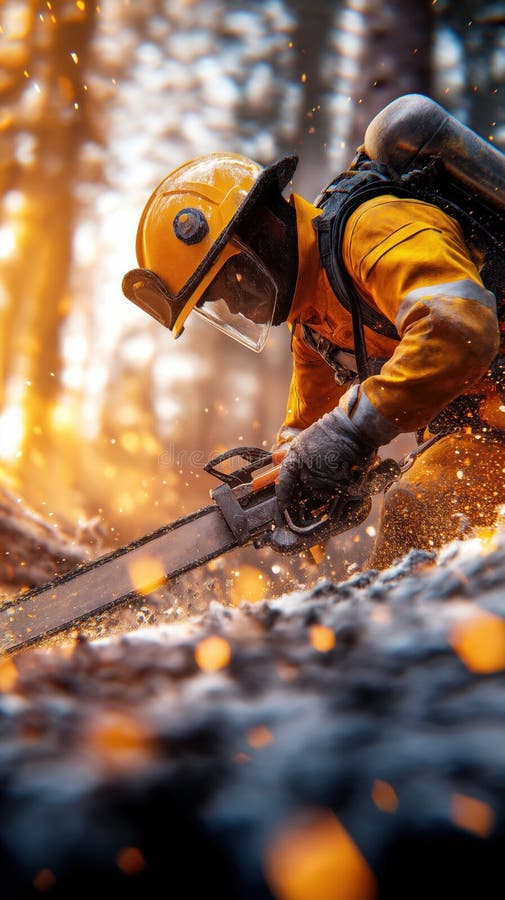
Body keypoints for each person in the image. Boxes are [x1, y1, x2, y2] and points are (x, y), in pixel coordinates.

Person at [122, 94, 505, 569]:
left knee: (417, 511)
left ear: (260, 231)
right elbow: (307, 429)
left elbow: (459, 327)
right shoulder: (314, 328)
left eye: (228, 285)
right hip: (488, 428)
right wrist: (293, 489)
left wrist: (352, 432)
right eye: (216, 304)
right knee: (417, 513)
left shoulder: (370, 229)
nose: (236, 305)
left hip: (493, 416)